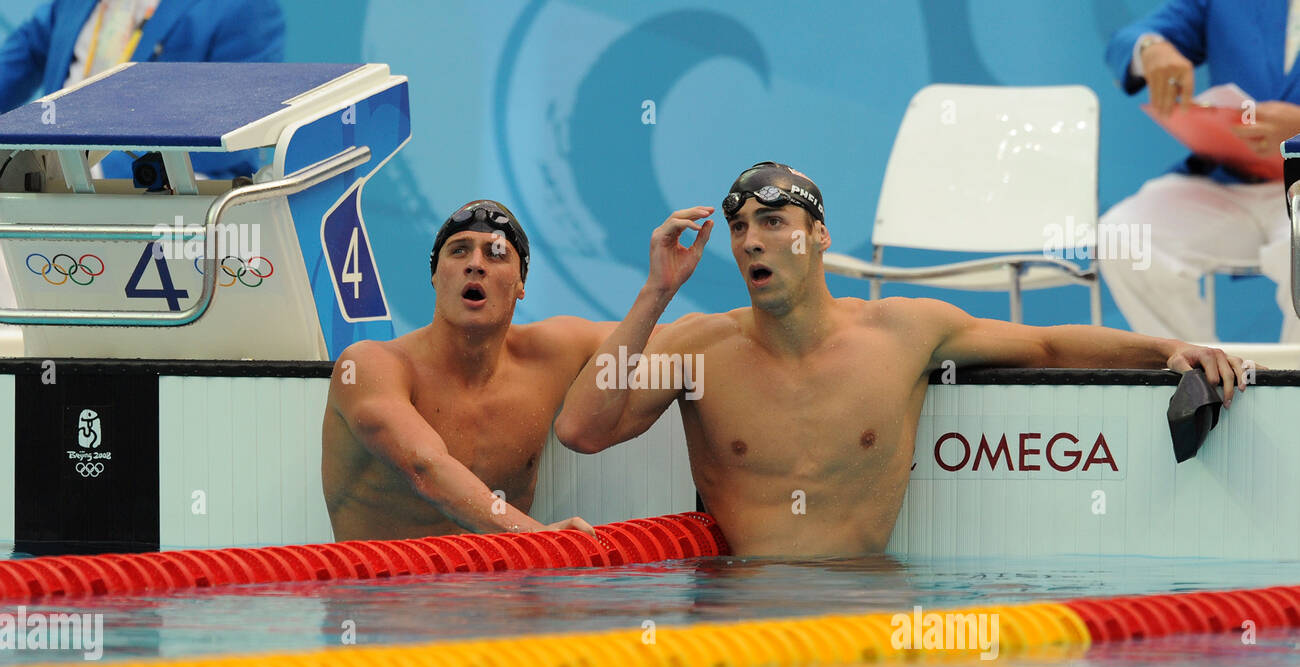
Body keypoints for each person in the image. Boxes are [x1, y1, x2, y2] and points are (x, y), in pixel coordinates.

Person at [555, 162, 1251, 557]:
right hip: (743, 619)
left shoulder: (902, 333)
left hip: (869, 608)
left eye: (772, 223)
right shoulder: (700, 346)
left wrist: (1164, 346)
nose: (750, 242)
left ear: (819, 236)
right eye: (739, 229)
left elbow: (1046, 343)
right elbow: (582, 431)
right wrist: (655, 292)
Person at [323, 200, 615, 541]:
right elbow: (425, 467)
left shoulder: (551, 353)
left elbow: (667, 343)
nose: (475, 264)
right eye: (459, 251)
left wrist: (659, 288)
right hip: (390, 590)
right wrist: (539, 538)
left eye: (496, 254)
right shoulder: (365, 367)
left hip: (499, 590)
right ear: (434, 275)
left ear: (521, 284)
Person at [1100, 0, 1300, 342]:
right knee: (1123, 234)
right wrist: (1150, 47)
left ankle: (1291, 389)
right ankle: (1200, 376)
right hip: (1228, 181)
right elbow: (1131, 37)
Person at [0, 0, 285, 180]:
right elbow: (19, 59)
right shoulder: (71, 5)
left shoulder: (246, 7)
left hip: (171, 197)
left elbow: (236, 133)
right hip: (50, 179)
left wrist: (88, 170)